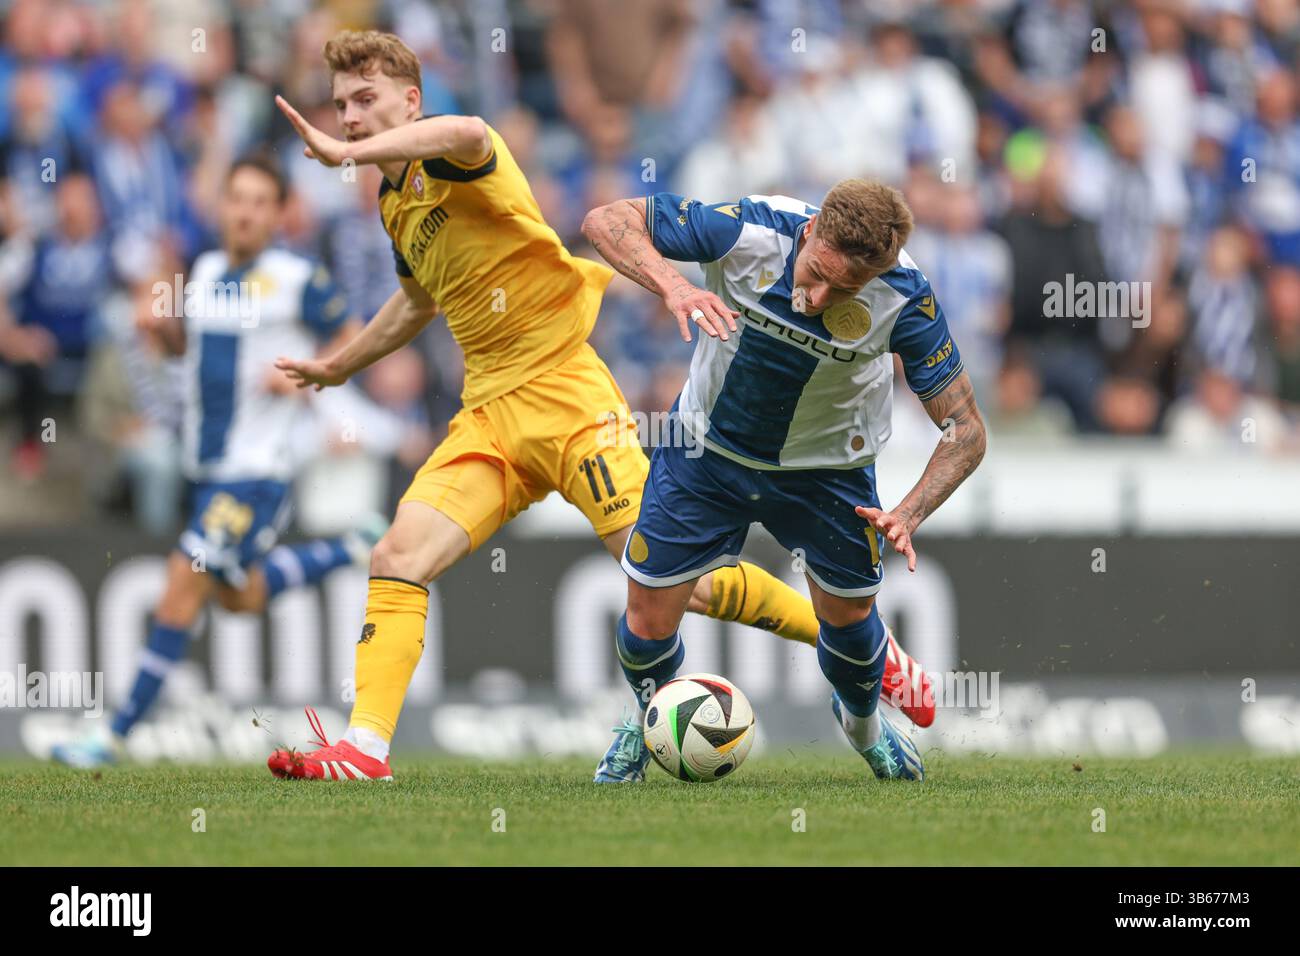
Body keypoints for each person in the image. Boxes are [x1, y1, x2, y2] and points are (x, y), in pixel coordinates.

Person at [266, 30, 935, 782]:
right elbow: (416, 302)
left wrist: (342, 154)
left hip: (566, 392)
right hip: (488, 412)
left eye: (367, 100)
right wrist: (338, 365)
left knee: (681, 583)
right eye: (342, 105)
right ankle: (365, 751)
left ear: (410, 100)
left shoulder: (456, 153)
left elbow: (470, 128)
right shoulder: (397, 203)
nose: (351, 117)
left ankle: (862, 650)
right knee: (398, 557)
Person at [581, 179, 987, 781]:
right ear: (811, 228)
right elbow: (604, 220)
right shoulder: (746, 229)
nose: (817, 297)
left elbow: (966, 430)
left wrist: (910, 512)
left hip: (826, 471)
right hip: (707, 450)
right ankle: (642, 721)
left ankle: (865, 729)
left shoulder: (905, 297)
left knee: (849, 628)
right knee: (646, 619)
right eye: (816, 271)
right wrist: (674, 283)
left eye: (842, 288)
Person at [50, 156, 377, 768]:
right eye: (238, 198)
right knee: (237, 598)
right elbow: (187, 353)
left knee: (183, 577)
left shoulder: (296, 277)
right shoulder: (201, 273)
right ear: (222, 206)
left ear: (280, 214)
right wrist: (161, 329)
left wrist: (313, 378)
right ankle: (348, 548)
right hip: (208, 469)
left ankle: (112, 734)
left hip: (258, 472)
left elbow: (355, 334)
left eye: (260, 201)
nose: (247, 211)